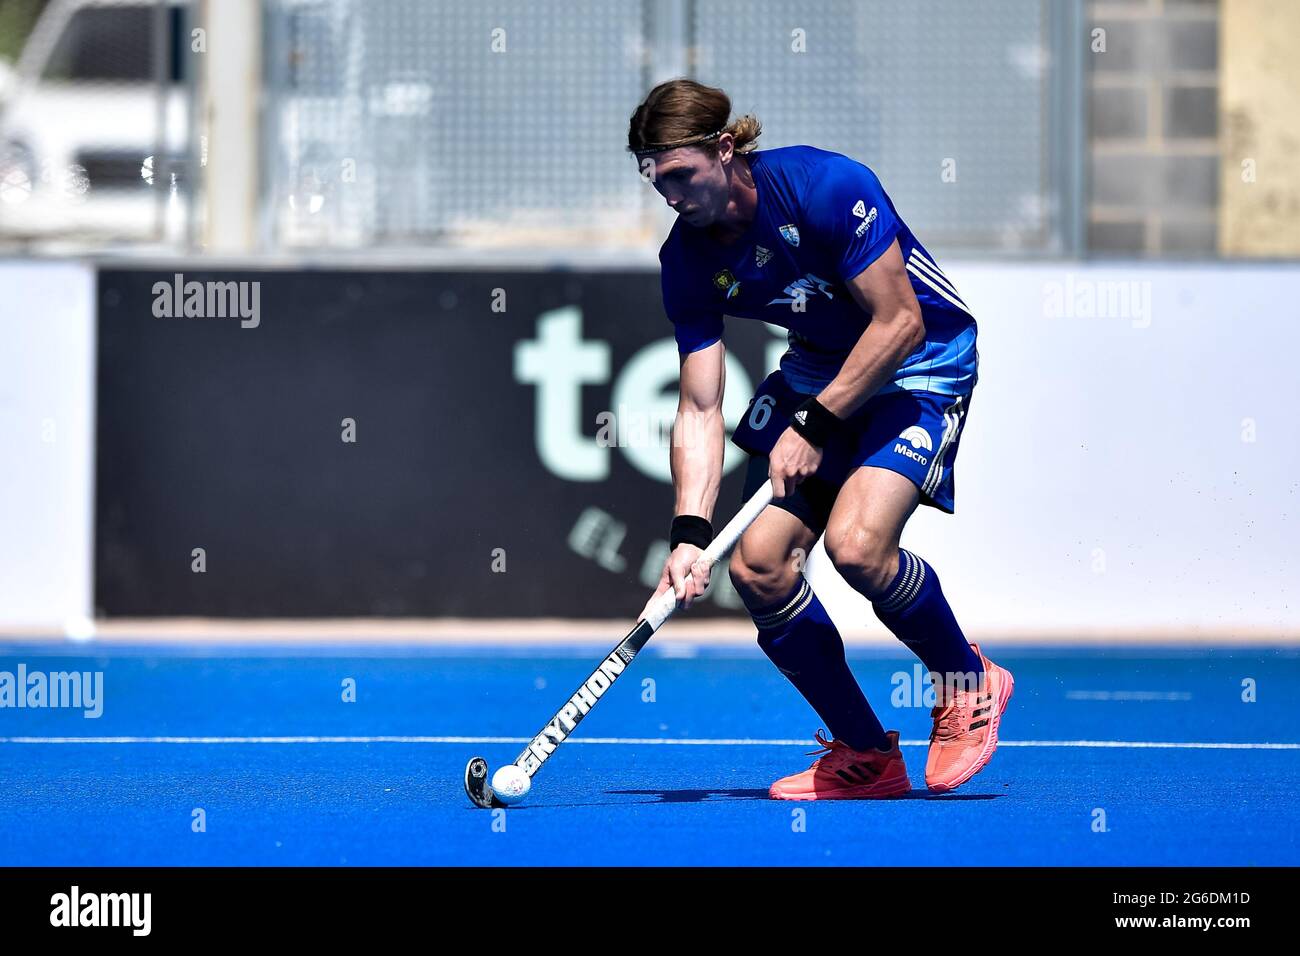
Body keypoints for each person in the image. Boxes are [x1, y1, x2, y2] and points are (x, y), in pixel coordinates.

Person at [633, 78, 1013, 800]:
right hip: (815, 373)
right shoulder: (685, 260)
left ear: (724, 147)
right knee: (759, 567)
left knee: (858, 546)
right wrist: (687, 531)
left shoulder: (825, 187)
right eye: (657, 180)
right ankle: (866, 754)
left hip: (922, 366)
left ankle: (969, 681)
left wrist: (813, 421)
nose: (672, 195)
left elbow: (899, 324)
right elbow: (700, 404)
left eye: (682, 175)